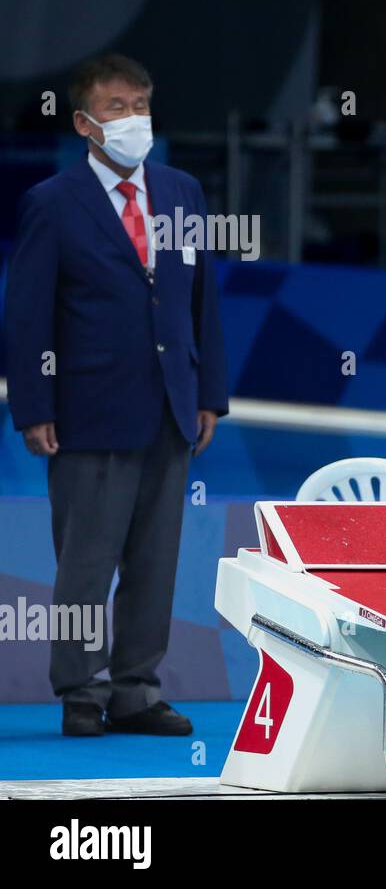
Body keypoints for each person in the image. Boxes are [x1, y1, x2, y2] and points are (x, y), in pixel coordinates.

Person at [4, 53, 228, 737]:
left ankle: (136, 689)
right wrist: (34, 408)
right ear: (83, 122)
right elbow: (27, 315)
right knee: (87, 563)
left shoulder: (183, 192)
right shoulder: (51, 203)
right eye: (116, 108)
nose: (132, 119)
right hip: (88, 413)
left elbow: (201, 303)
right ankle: (80, 690)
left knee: (155, 563)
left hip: (170, 407)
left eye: (141, 106)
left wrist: (208, 393)